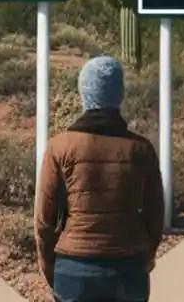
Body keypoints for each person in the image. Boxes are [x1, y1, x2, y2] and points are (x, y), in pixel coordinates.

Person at [34, 55, 164, 302]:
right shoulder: (141, 149)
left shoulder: (59, 147)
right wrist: (146, 257)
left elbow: (44, 220)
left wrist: (51, 267)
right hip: (128, 267)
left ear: (83, 92)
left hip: (74, 267)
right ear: (119, 94)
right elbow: (154, 215)